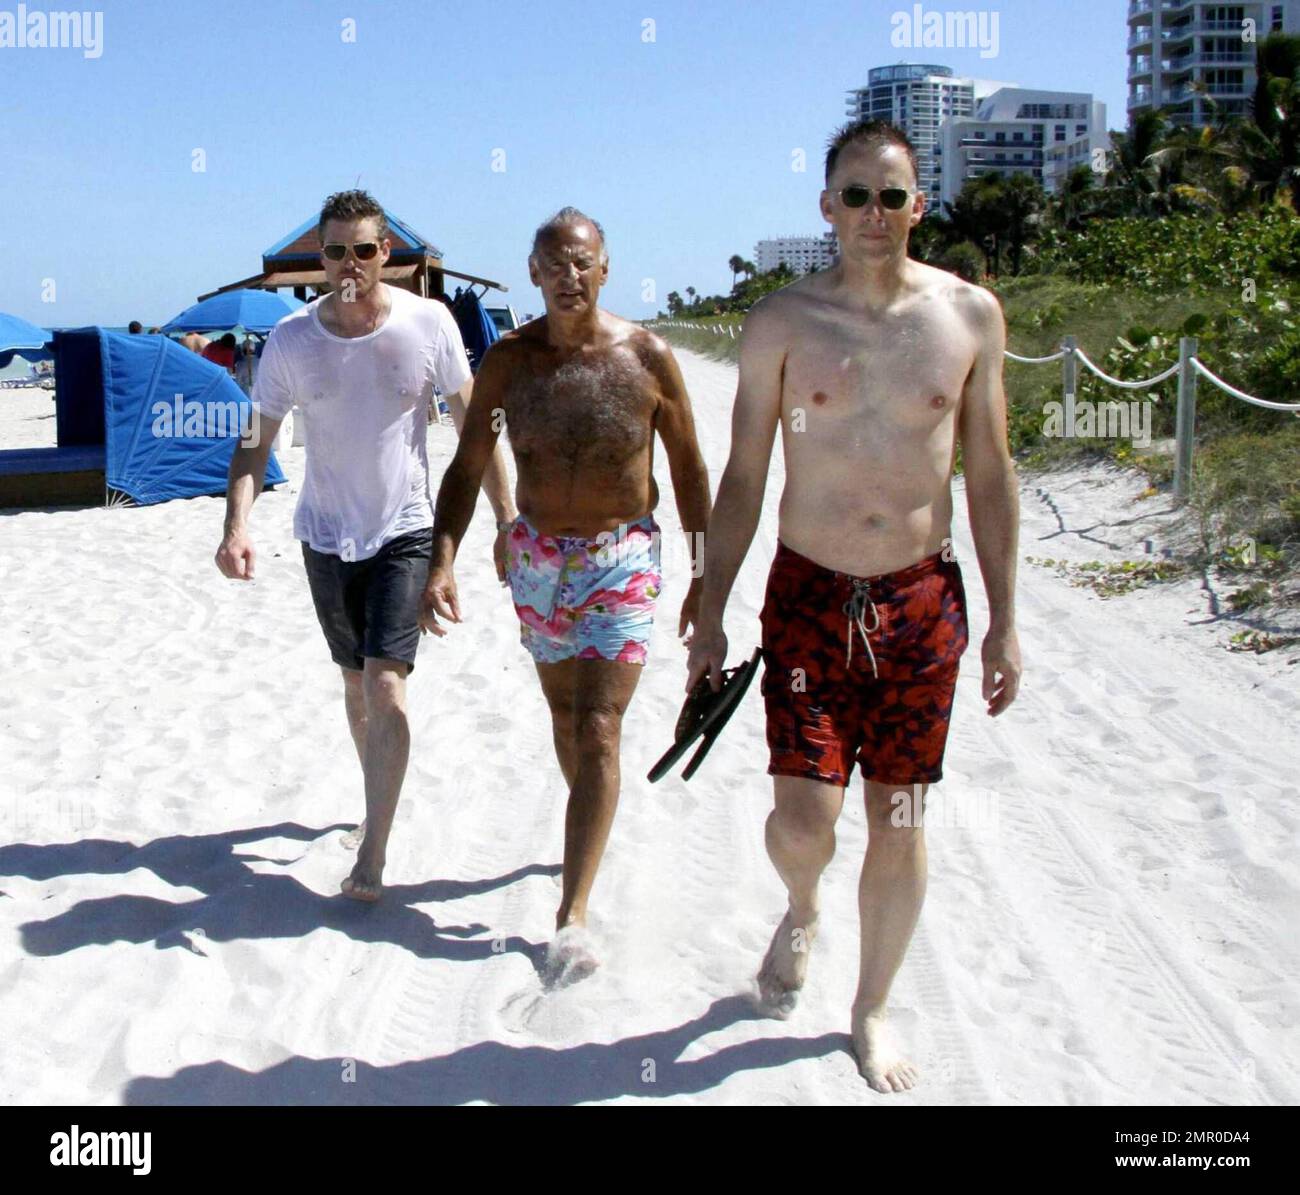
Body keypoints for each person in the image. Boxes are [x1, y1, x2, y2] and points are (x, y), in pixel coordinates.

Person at [686, 119, 1022, 1092]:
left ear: (918, 205)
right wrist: (709, 606)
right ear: (825, 205)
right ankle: (801, 907)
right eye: (855, 195)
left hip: (921, 603)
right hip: (807, 597)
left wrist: (1004, 619)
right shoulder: (780, 325)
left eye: (892, 196)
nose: (874, 215)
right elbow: (744, 475)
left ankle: (868, 1008)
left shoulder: (969, 317)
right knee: (803, 822)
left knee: (901, 817)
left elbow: (990, 474)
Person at [425, 208, 712, 985]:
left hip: (622, 553)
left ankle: (571, 915)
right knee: (564, 719)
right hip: (539, 556)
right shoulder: (511, 363)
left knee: (599, 725)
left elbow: (687, 469)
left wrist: (704, 572)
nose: (568, 275)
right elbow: (467, 464)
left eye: (582, 261)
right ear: (533, 272)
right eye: (553, 262)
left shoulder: (647, 356)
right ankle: (591, 816)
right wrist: (442, 554)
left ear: (606, 267)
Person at [214, 189, 514, 902]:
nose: (350, 263)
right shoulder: (291, 340)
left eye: (365, 249)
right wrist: (236, 525)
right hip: (323, 534)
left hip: (404, 528)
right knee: (354, 685)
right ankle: (374, 798)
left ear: (389, 256)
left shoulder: (429, 324)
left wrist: (507, 520)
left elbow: (476, 428)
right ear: (320, 258)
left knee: (387, 685)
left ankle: (374, 851)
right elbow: (256, 442)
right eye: (336, 250)